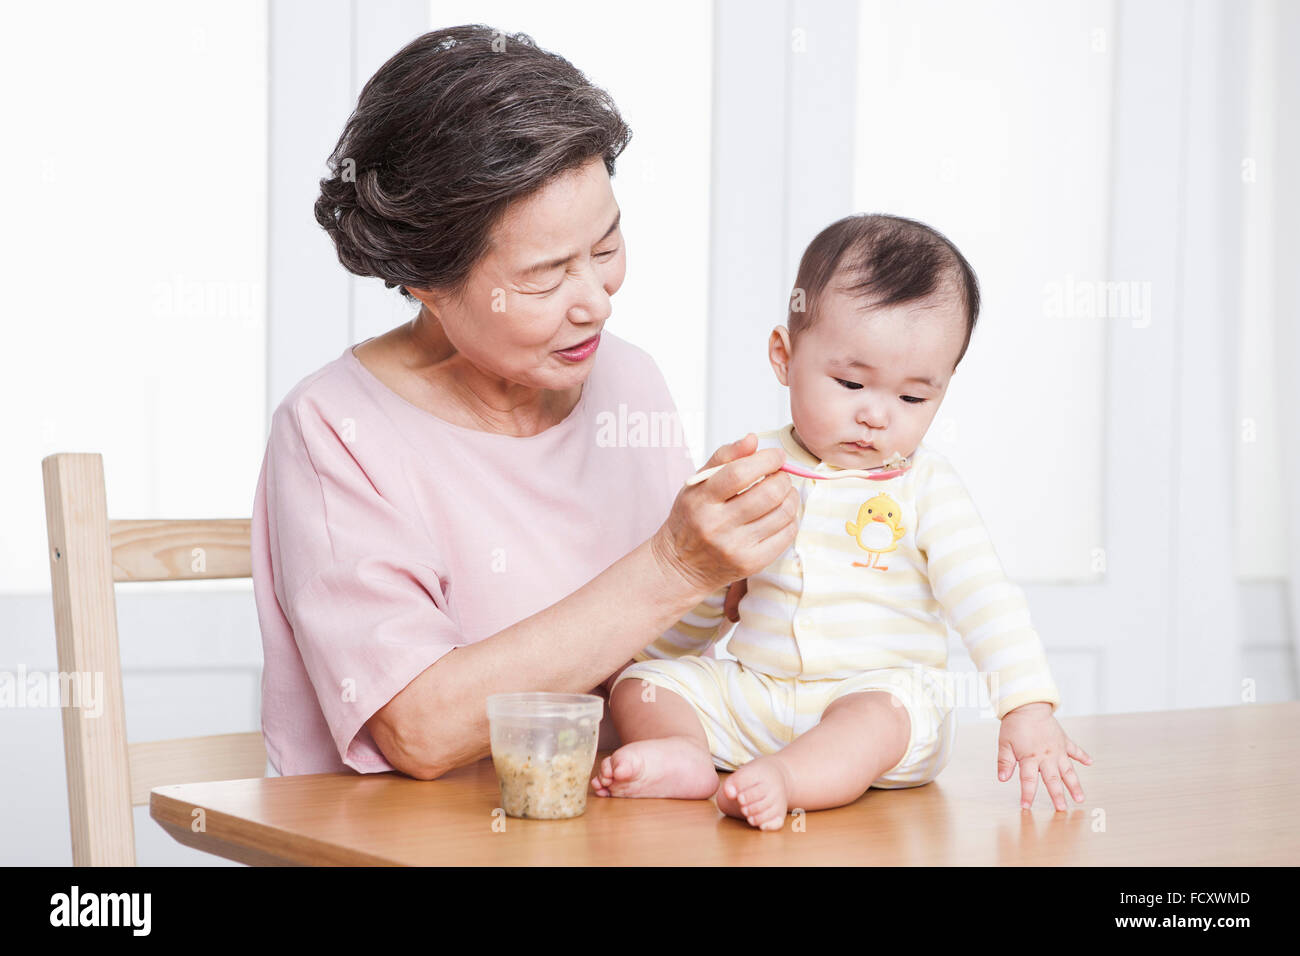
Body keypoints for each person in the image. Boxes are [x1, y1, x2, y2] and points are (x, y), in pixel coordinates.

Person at [250, 25, 799, 778]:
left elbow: (666, 666)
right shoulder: (334, 430)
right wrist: (677, 566)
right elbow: (421, 729)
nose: (597, 305)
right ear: (427, 282)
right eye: (544, 276)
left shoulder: (627, 382)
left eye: (605, 248)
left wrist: (742, 589)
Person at [596, 213, 1095, 828]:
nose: (877, 415)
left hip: (877, 699)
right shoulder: (753, 467)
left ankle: (787, 778)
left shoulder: (926, 488)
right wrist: (644, 664)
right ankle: (685, 753)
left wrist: (1026, 706)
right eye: (851, 382)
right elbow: (705, 586)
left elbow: (986, 600)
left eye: (913, 397)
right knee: (643, 685)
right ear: (785, 356)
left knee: (880, 715)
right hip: (762, 694)